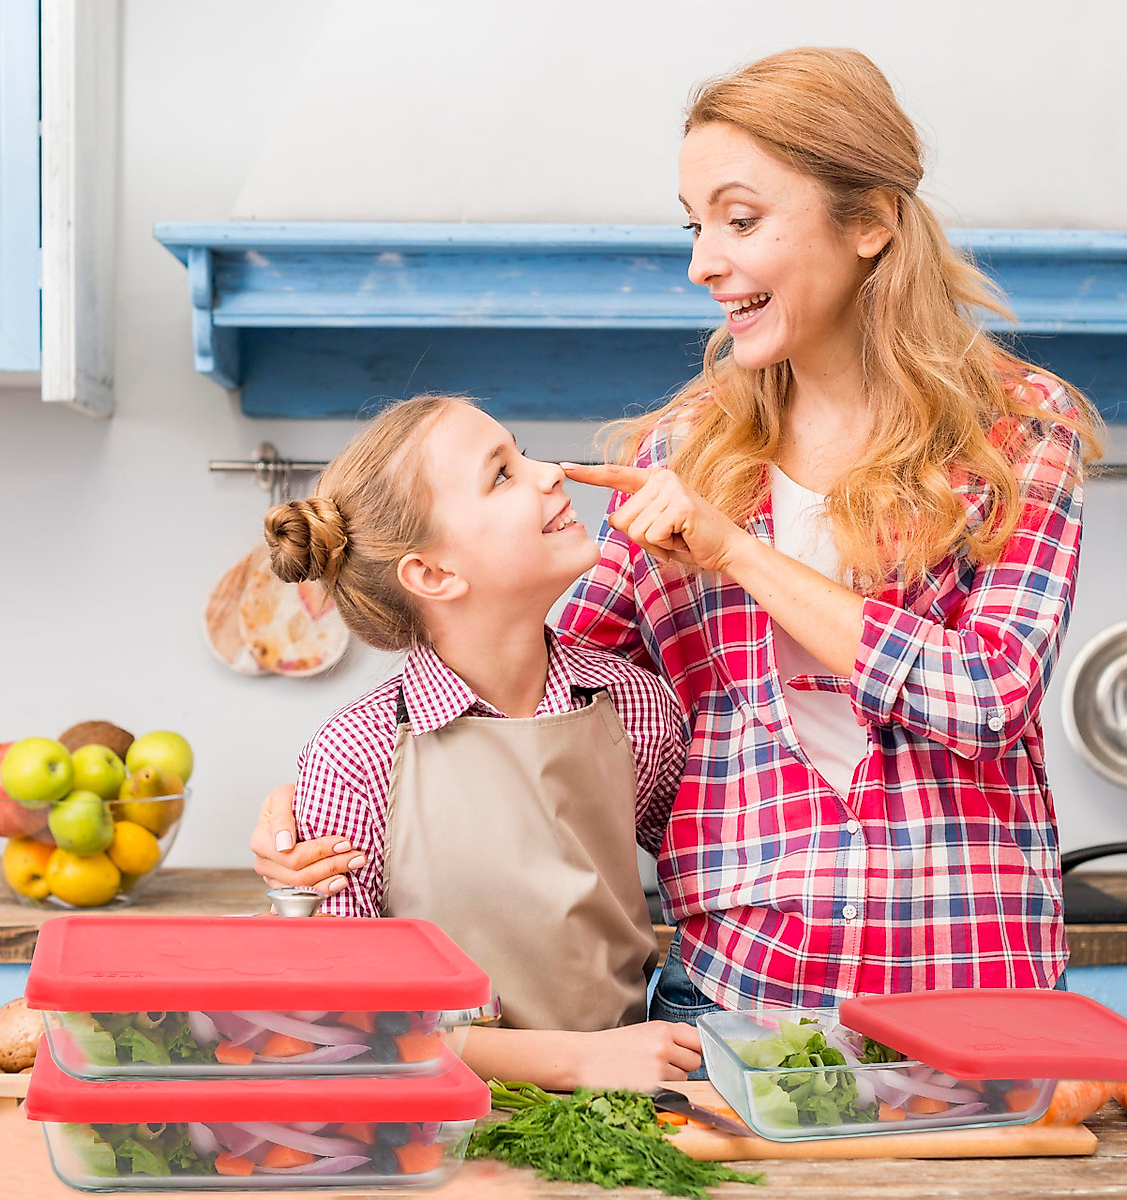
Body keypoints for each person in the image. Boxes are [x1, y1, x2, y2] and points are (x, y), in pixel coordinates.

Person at [252, 47, 1105, 1076]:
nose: (702, 261)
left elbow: (990, 696)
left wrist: (736, 550)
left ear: (870, 221)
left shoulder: (1019, 431)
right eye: (693, 224)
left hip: (973, 982)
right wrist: (326, 813)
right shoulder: (688, 448)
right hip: (736, 1005)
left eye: (739, 220)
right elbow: (541, 683)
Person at [258, 393, 701, 1090]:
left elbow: (714, 873)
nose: (550, 472)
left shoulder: (634, 706)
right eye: (502, 474)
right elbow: (338, 1015)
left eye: (520, 453)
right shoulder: (357, 754)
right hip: (434, 1126)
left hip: (625, 1116)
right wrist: (578, 1060)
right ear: (433, 575)